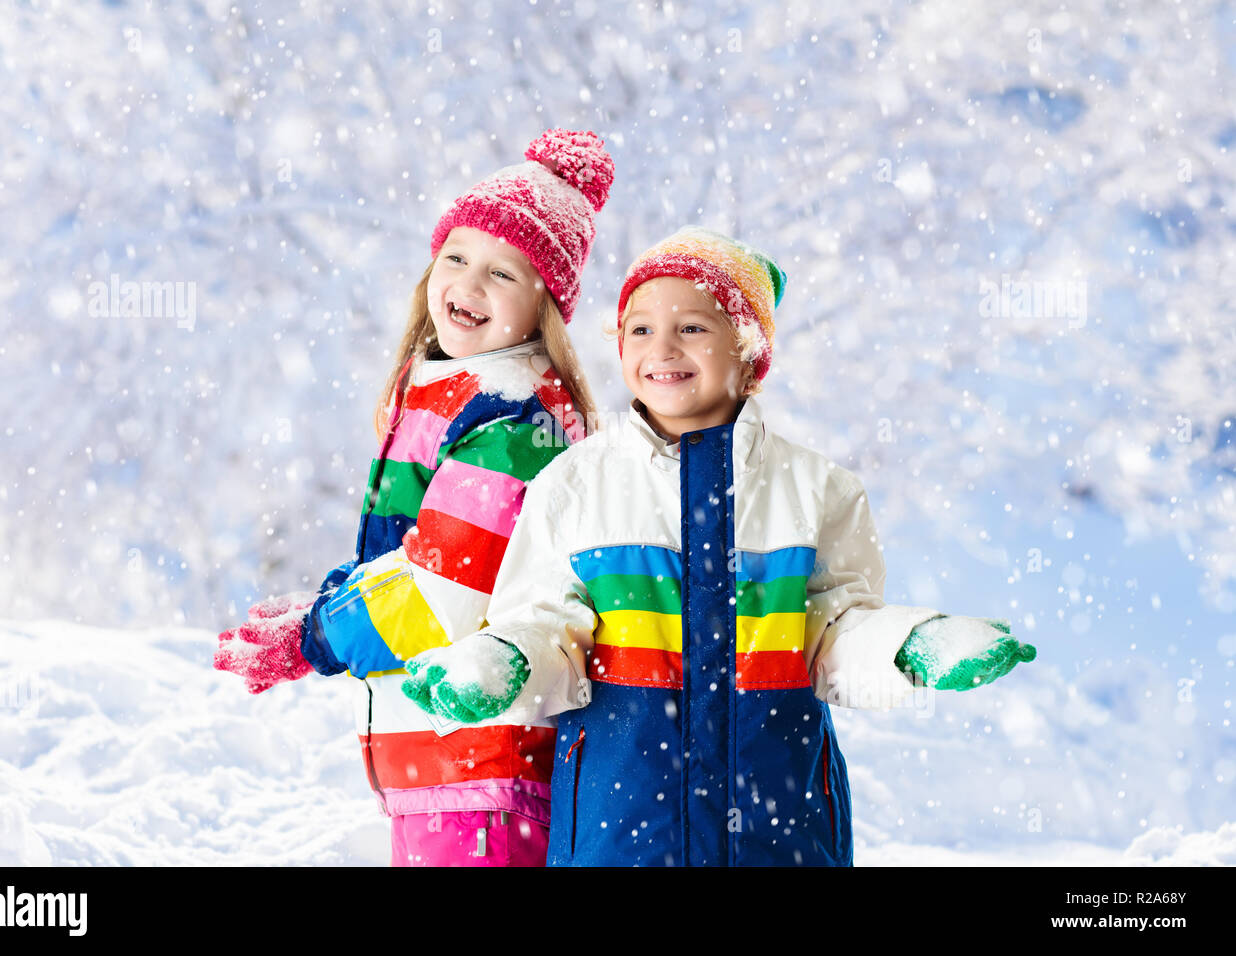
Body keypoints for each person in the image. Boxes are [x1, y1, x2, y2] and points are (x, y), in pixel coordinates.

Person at [400, 226, 1037, 866]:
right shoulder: (573, 486)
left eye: (694, 328)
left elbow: (836, 630)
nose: (663, 348)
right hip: (620, 833)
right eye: (640, 329)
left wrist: (911, 644)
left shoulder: (817, 491)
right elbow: (544, 626)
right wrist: (502, 661)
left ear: (749, 353)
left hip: (778, 832)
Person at [214, 129, 615, 866]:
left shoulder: (512, 418)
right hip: (444, 767)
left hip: (484, 767)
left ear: (544, 307)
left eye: (504, 272)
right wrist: (328, 612)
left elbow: (439, 593)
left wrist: (317, 635)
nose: (468, 283)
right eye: (457, 256)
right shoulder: (451, 392)